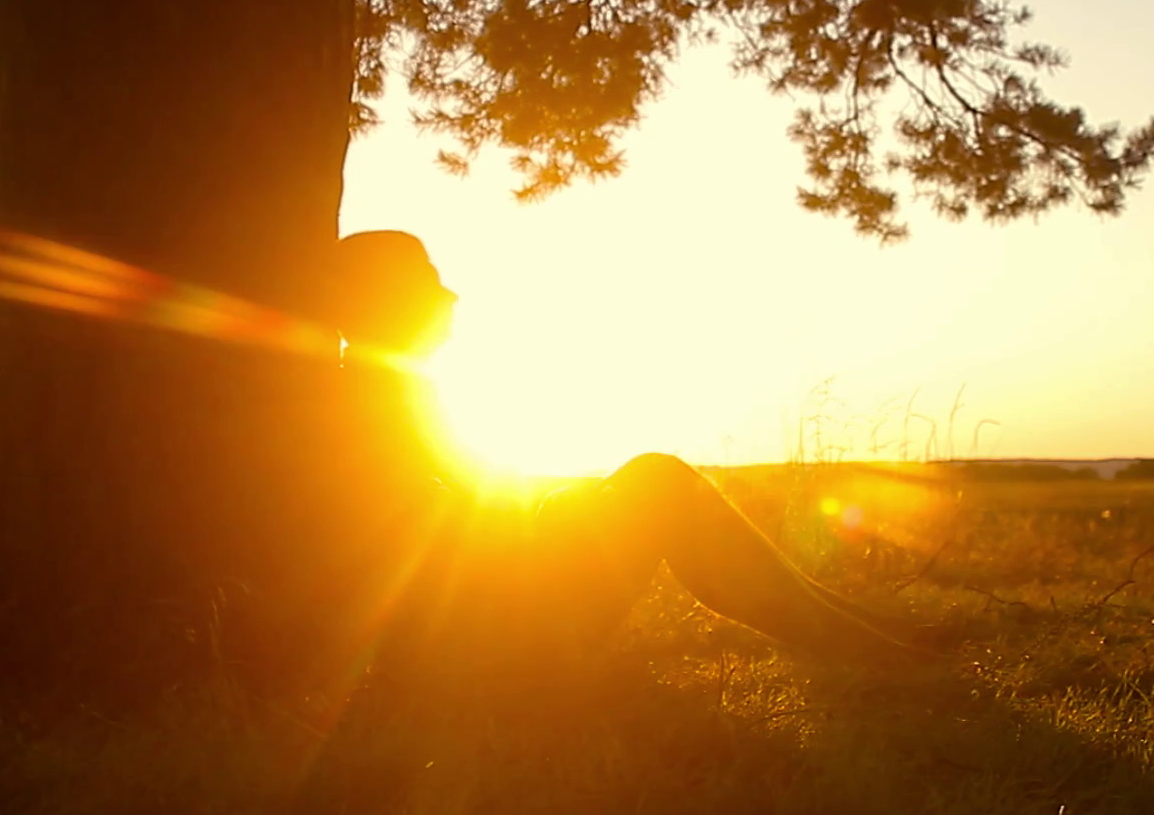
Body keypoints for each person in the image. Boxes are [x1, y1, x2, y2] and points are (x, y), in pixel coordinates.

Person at [290, 230, 919, 693]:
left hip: (480, 627)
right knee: (658, 482)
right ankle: (873, 649)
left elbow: (463, 515)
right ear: (387, 301)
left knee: (643, 484)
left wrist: (568, 505)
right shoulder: (368, 403)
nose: (450, 300)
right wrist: (562, 515)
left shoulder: (386, 391)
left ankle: (872, 637)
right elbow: (444, 542)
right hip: (479, 646)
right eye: (429, 286)